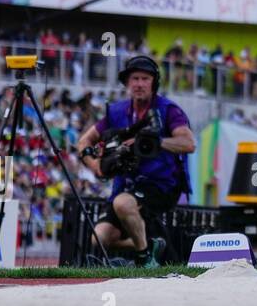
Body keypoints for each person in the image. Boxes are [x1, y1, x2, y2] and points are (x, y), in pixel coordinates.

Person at [75, 55, 195, 267]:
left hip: (163, 184)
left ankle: (144, 260)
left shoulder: (169, 110)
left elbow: (189, 144)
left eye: (145, 79)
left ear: (153, 83)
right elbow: (84, 140)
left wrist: (155, 142)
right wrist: (95, 167)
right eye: (135, 79)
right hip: (126, 185)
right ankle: (150, 246)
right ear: (127, 83)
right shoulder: (117, 112)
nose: (139, 84)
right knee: (100, 238)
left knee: (122, 203)